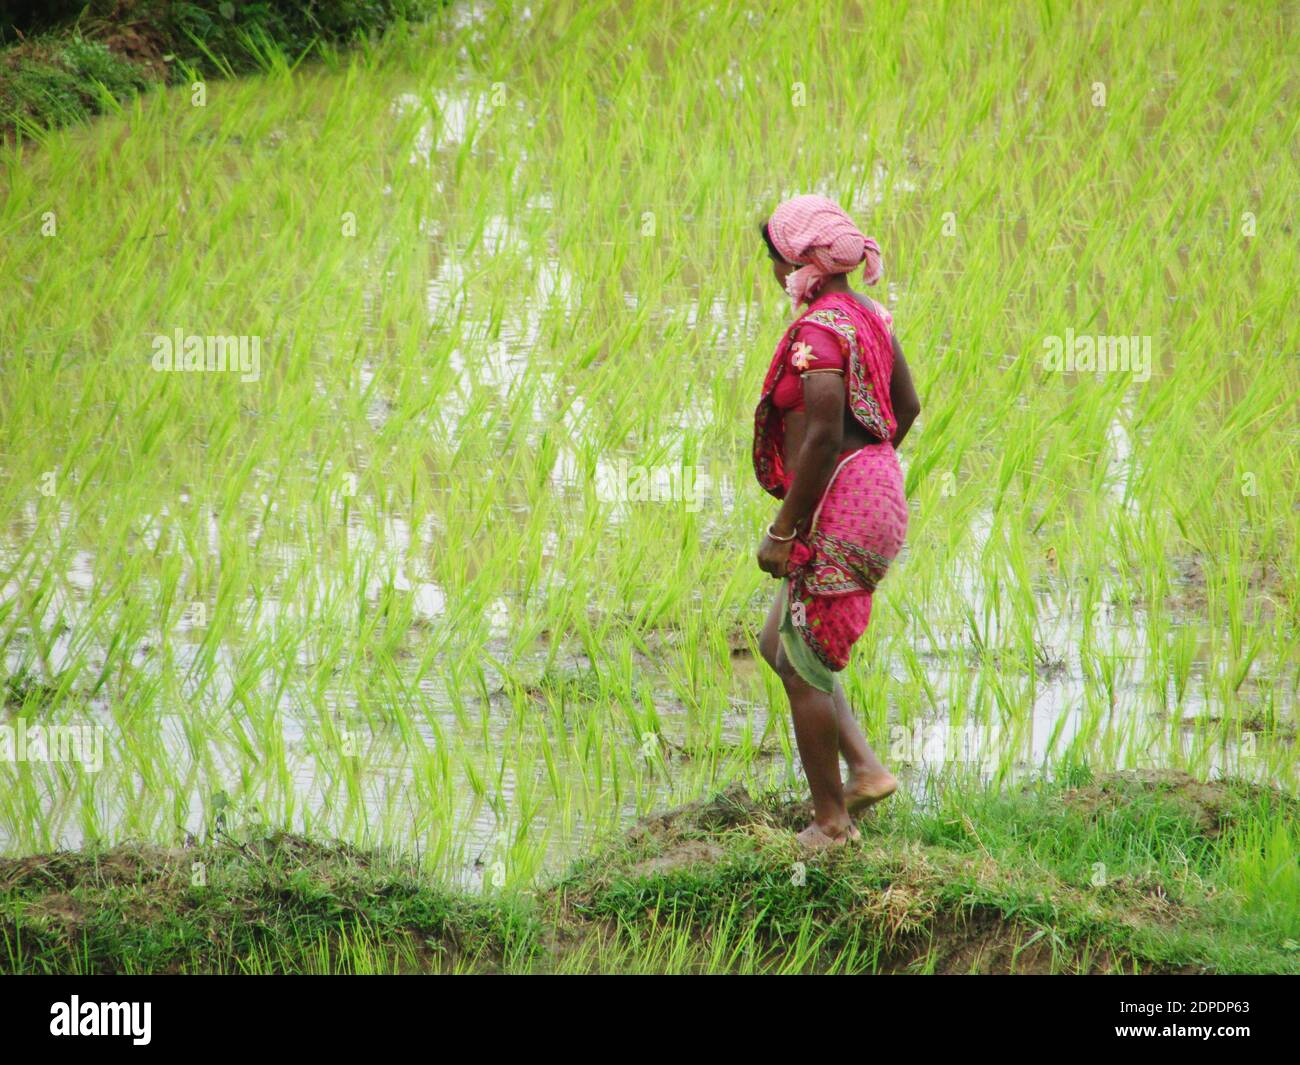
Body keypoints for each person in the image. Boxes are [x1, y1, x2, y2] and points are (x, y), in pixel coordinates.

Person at [753, 194, 921, 849]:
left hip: (839, 502)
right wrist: (872, 470)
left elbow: (823, 435)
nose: (769, 268)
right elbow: (904, 406)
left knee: (802, 668)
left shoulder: (822, 330)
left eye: (773, 256)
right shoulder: (870, 315)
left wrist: (784, 528)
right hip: (873, 491)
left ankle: (831, 821)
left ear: (797, 261)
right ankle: (867, 769)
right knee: (780, 643)